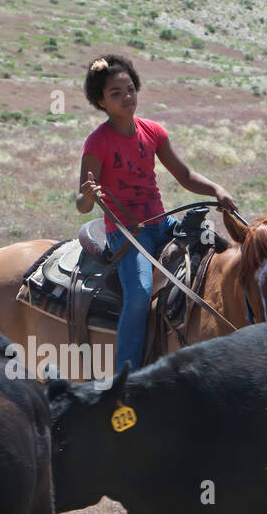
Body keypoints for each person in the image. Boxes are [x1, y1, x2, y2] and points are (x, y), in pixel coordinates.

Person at [76, 54, 237, 372]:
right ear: (101, 102)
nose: (127, 97)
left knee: (216, 251)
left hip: (162, 222)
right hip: (126, 233)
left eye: (130, 89)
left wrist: (216, 190)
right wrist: (88, 197)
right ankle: (127, 376)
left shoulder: (153, 132)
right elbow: (82, 200)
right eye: (115, 93)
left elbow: (185, 175)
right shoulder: (98, 142)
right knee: (138, 296)